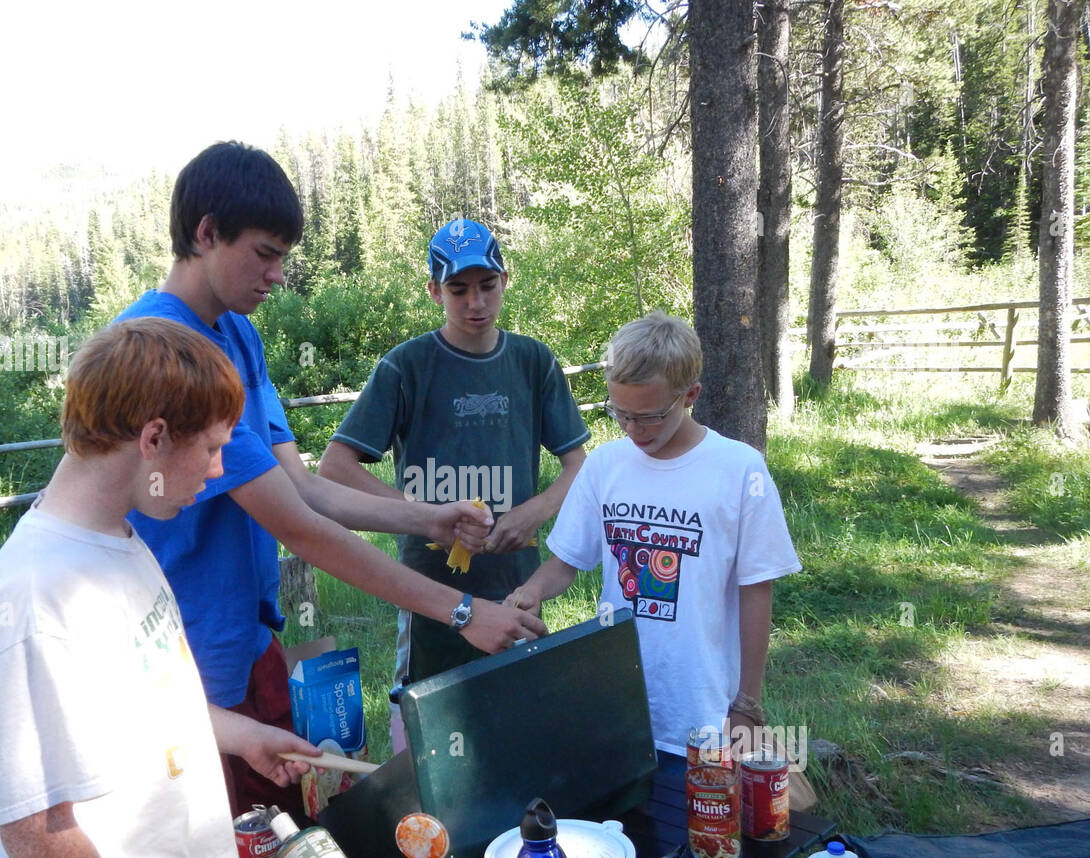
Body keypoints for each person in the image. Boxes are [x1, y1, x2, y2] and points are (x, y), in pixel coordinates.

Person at [115, 145, 546, 811]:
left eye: (284, 255)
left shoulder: (238, 334)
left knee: (284, 845)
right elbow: (301, 529)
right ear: (205, 233)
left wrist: (424, 516)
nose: (278, 275)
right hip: (180, 651)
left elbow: (304, 484)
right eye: (264, 253)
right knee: (219, 857)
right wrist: (460, 610)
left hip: (249, 640)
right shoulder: (162, 351)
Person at [0, 318, 321, 858]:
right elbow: (39, 832)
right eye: (213, 448)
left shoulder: (121, 537)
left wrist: (242, 733)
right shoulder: (37, 601)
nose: (219, 470)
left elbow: (137, 698)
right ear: (154, 438)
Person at [319, 219, 589, 733]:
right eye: (457, 290)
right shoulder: (406, 367)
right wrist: (424, 518)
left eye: (487, 286)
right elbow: (336, 466)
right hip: (431, 589)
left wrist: (535, 510)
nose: (475, 303)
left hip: (518, 585)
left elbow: (578, 463)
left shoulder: (534, 362)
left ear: (505, 281)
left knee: (524, 721)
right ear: (434, 291)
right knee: (431, 722)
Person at [505, 310, 801, 755]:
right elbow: (566, 563)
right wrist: (530, 592)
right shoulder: (605, 465)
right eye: (620, 414)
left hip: (704, 709)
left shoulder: (738, 470)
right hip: (618, 699)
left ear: (690, 395)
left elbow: (757, 590)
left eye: (649, 417)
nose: (633, 429)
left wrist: (747, 703)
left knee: (704, 822)